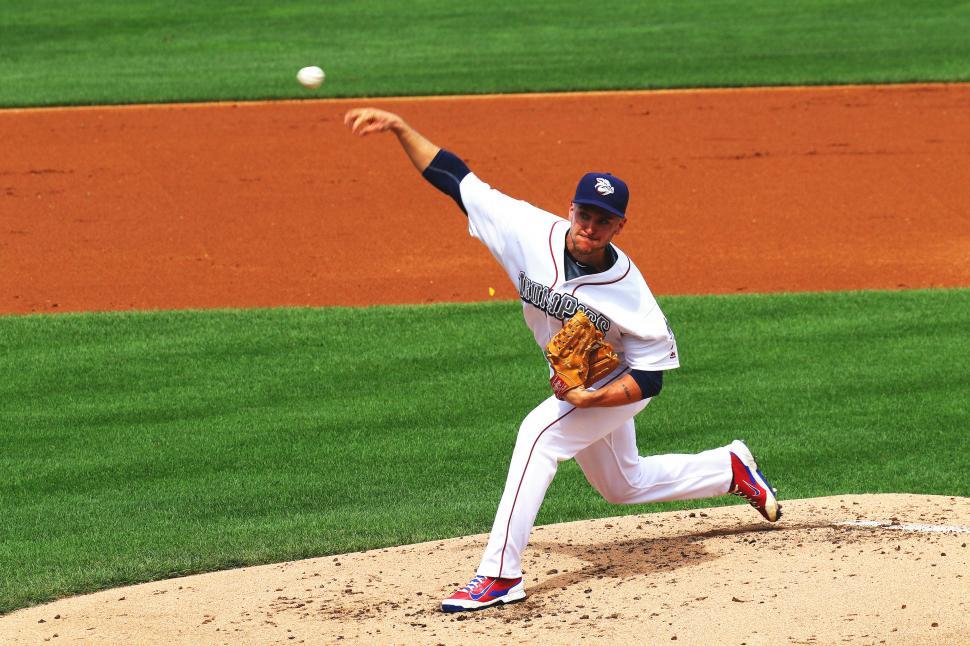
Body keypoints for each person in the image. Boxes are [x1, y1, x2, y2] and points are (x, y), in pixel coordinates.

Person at [344, 108, 782, 613]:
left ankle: (499, 574)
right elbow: (453, 177)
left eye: (603, 221)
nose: (590, 228)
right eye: (584, 215)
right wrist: (400, 128)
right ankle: (729, 468)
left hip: (617, 379)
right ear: (570, 209)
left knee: (538, 435)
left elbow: (651, 376)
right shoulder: (526, 230)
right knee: (622, 485)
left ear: (620, 225)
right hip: (579, 380)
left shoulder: (631, 294)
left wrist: (595, 397)